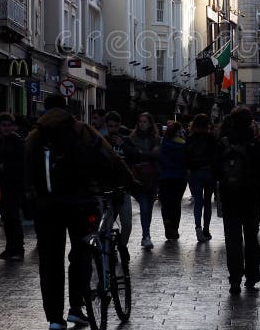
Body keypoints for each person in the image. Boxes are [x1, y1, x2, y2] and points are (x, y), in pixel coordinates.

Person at [25, 97, 135, 330]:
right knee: (82, 254)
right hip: (82, 203)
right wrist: (130, 182)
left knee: (50, 261)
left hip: (48, 206)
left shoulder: (36, 136)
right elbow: (111, 158)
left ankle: (55, 318)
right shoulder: (83, 130)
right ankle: (77, 308)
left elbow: (25, 171)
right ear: (67, 109)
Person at [214, 106, 260, 294]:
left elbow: (214, 171)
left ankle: (234, 279)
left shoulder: (223, 142)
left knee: (233, 239)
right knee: (251, 237)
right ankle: (252, 276)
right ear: (250, 122)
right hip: (251, 197)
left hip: (230, 197)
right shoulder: (256, 142)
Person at [0, 112, 25, 261]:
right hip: (1, 185)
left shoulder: (18, 141)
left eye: (8, 125)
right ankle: (9, 248)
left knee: (14, 217)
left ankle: (18, 249)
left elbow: (21, 163)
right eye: (3, 125)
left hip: (14, 185)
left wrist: (6, 166)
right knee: (6, 218)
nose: (6, 128)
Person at [104, 111, 139, 246]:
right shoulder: (103, 141)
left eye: (116, 127)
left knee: (127, 223)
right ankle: (107, 251)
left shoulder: (126, 140)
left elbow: (136, 157)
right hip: (107, 189)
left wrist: (123, 144)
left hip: (123, 189)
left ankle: (122, 247)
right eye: (110, 126)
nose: (113, 130)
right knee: (107, 223)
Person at [130, 112, 161, 250]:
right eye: (140, 121)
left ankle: (146, 234)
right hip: (139, 177)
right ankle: (146, 236)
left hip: (152, 177)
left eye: (145, 122)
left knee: (148, 207)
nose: (142, 124)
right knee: (144, 206)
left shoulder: (155, 138)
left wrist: (141, 154)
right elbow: (133, 154)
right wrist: (146, 155)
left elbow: (156, 154)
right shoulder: (133, 137)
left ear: (150, 123)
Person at [186, 113, 217, 242]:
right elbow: (215, 156)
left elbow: (186, 156)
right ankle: (206, 230)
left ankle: (198, 227)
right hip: (209, 172)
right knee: (208, 202)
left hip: (195, 173)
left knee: (198, 201)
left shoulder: (190, 138)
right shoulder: (211, 138)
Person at [158, 120, 187, 240]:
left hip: (165, 177)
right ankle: (174, 228)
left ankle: (167, 223)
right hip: (180, 178)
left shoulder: (163, 143)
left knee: (165, 203)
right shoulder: (183, 145)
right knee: (176, 203)